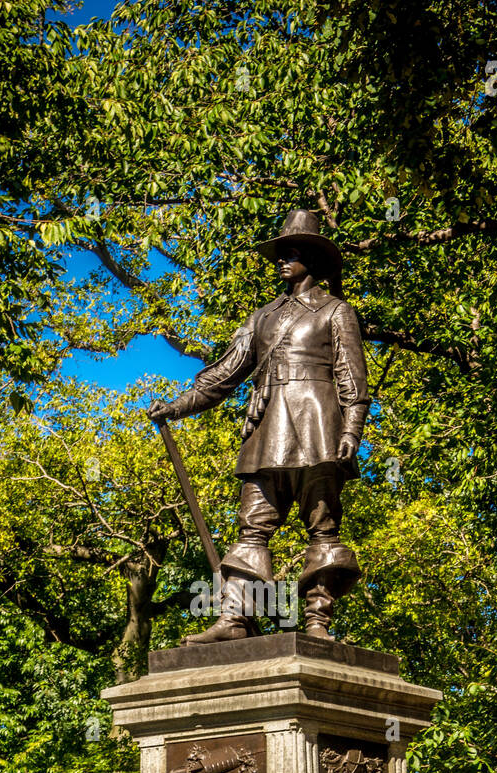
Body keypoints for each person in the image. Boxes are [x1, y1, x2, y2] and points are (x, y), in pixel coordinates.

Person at [150, 208, 369, 642]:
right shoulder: (262, 317)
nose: (281, 261)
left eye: (291, 252)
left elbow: (351, 377)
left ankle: (317, 623)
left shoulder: (336, 311)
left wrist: (351, 431)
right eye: (279, 253)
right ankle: (235, 620)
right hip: (267, 429)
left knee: (323, 527)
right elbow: (224, 374)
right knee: (252, 525)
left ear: (312, 258)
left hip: (318, 428)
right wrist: (176, 406)